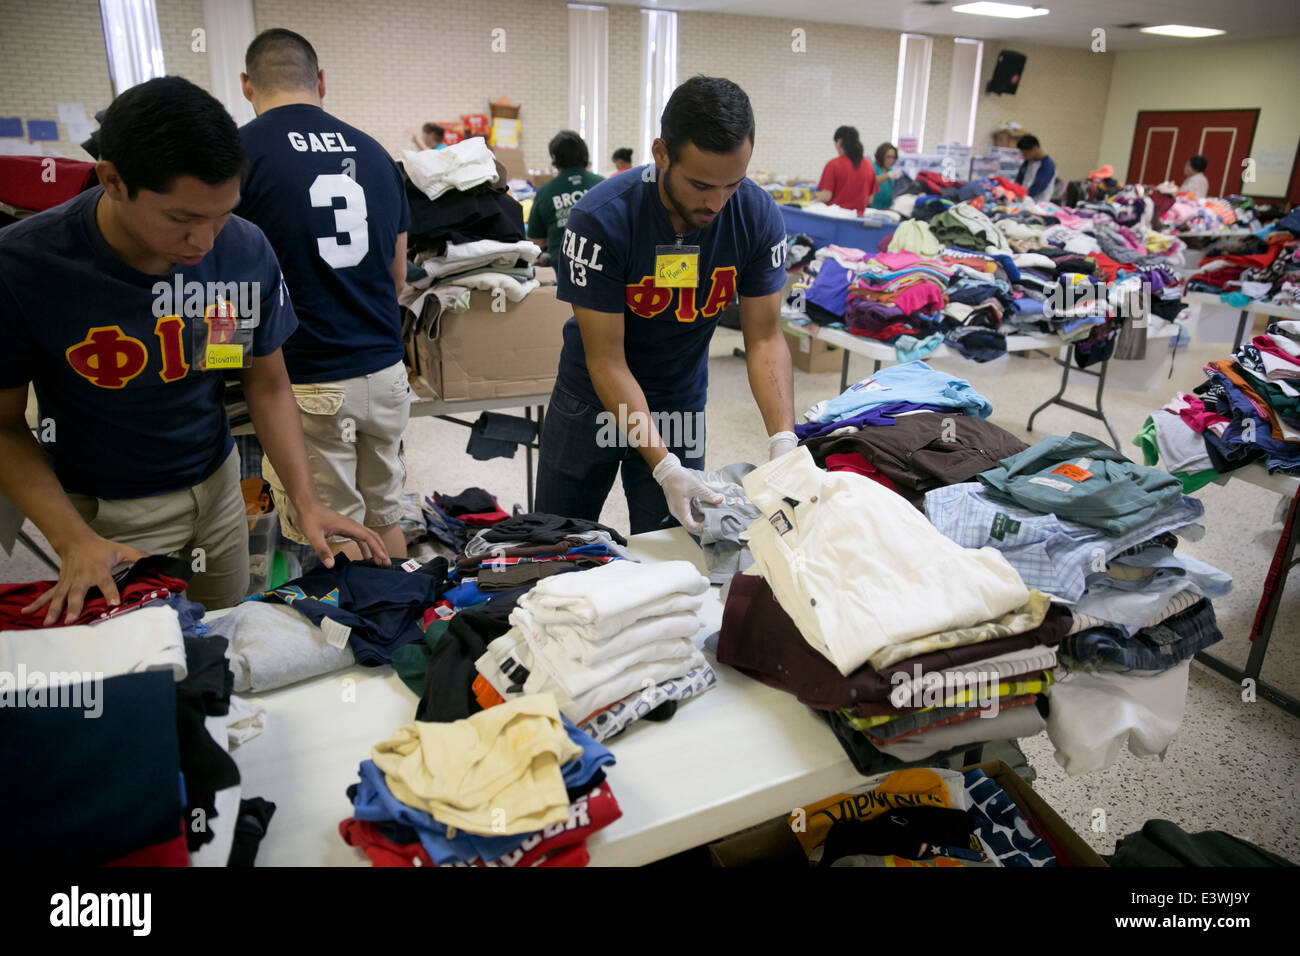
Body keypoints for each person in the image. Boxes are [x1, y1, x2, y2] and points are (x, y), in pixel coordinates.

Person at [0, 76, 387, 624]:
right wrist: (71, 539)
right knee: (144, 668)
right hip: (107, 514)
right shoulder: (27, 265)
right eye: (181, 219)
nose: (204, 242)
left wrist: (305, 500)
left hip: (219, 488)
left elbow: (265, 380)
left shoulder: (243, 248)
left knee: (225, 638)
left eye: (221, 213)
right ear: (113, 181)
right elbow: (4, 424)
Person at [534, 75, 795, 535]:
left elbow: (765, 337)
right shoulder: (600, 218)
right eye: (700, 185)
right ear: (661, 154)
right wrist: (663, 466)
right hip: (590, 399)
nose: (716, 203)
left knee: (674, 549)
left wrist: (783, 440)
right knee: (556, 542)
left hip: (678, 398)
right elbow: (607, 360)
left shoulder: (755, 215)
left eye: (732, 184)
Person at [237, 28, 413, 561]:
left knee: (337, 531)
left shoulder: (240, 155)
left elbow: (227, 276)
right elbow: (398, 276)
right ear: (321, 81)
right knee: (385, 516)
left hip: (308, 378)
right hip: (385, 372)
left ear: (246, 85)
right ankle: (407, 626)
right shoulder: (376, 153)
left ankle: (363, 640)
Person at [528, 131, 604, 263]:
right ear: (584, 153)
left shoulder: (545, 192)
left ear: (555, 158)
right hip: (603, 267)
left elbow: (536, 241)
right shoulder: (604, 184)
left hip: (563, 272)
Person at [813, 125, 877, 214]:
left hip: (836, 219)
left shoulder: (833, 165)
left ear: (839, 142)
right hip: (857, 221)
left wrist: (811, 204)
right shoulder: (869, 166)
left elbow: (826, 196)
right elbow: (869, 200)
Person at [1015, 134, 1057, 203]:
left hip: (1038, 204)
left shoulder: (1048, 165)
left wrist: (1020, 194)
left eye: (1025, 154)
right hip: (1023, 201)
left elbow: (1037, 187)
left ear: (1035, 149)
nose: (1024, 156)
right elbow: (1019, 180)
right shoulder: (1027, 162)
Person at [870, 142, 901, 210]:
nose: (892, 160)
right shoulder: (872, 168)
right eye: (888, 157)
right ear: (881, 156)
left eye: (894, 157)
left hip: (886, 211)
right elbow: (871, 181)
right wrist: (887, 176)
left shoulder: (890, 171)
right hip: (872, 210)